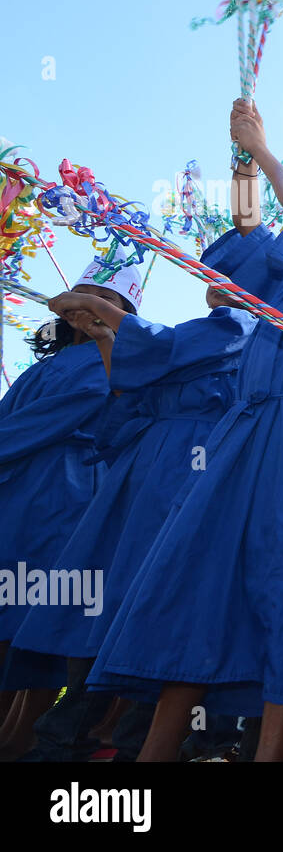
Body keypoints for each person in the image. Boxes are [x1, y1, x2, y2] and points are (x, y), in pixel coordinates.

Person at [89, 98, 283, 761]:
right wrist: (241, 160)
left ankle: (273, 751)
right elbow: (249, 226)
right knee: (199, 579)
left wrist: (261, 150)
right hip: (243, 436)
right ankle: (154, 753)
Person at [10, 286, 255, 761]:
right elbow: (125, 397)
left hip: (190, 472)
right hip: (140, 474)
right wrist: (105, 337)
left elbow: (163, 348)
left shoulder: (245, 327)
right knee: (97, 602)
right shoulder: (196, 333)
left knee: (151, 602)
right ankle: (64, 736)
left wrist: (106, 319)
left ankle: (109, 739)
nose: (213, 284)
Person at [0, 261, 137, 760]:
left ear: (123, 315)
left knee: (36, 617)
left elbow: (37, 425)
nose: (91, 302)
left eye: (107, 298)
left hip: (64, 495)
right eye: (84, 291)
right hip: (19, 487)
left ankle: (24, 737)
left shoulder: (109, 364)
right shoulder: (46, 364)